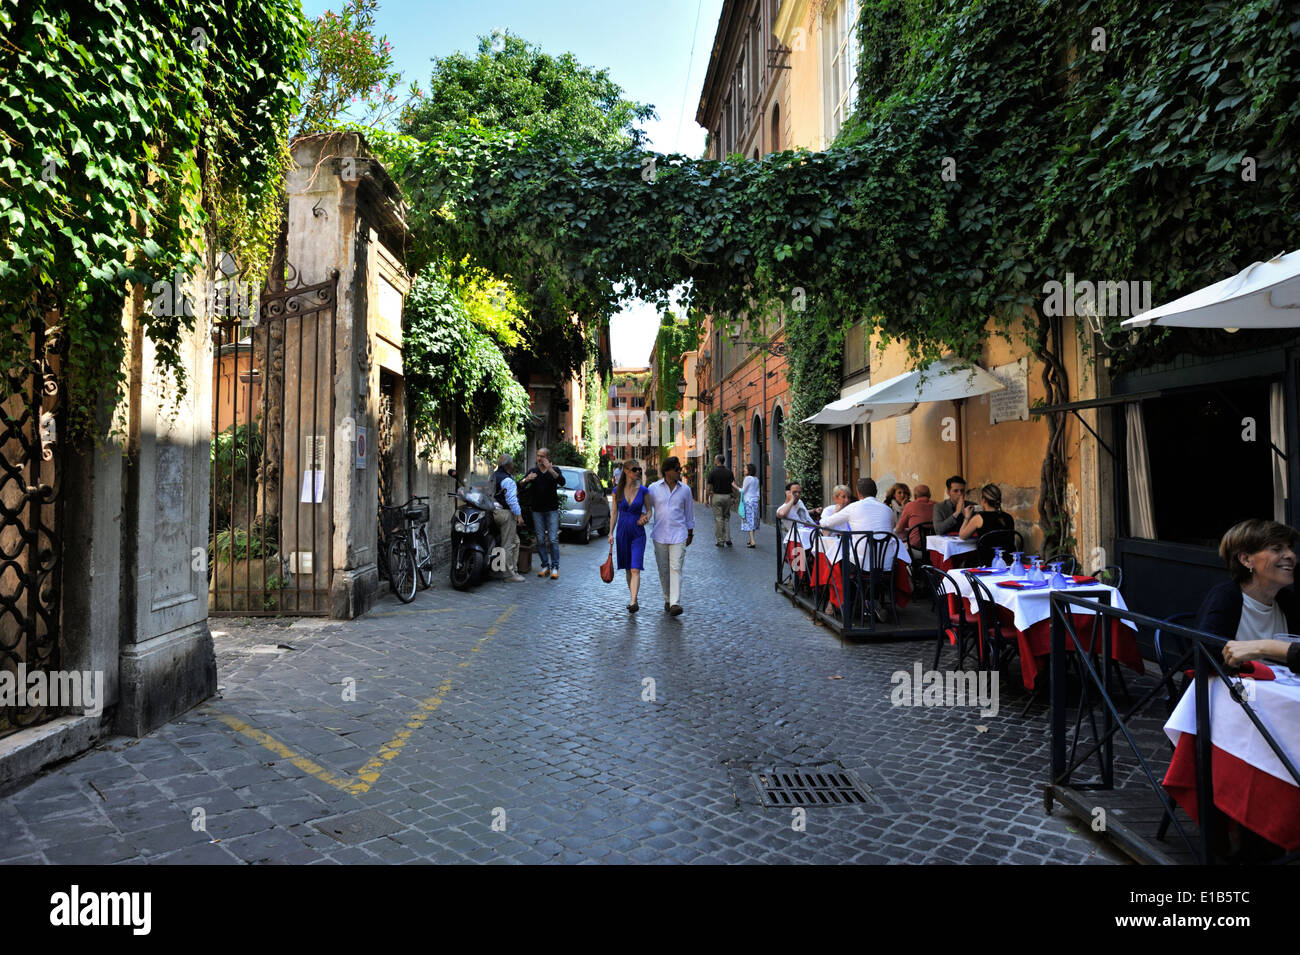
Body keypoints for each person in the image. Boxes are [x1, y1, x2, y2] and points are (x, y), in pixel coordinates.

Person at [1198, 520, 1300, 671]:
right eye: (1277, 549)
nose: (1291, 555)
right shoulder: (1225, 597)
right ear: (1246, 560)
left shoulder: (1287, 600)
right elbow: (1207, 659)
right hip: (1236, 690)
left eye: (1290, 548)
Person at [643, 456, 694, 615]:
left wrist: (690, 532)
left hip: (679, 534)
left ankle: (675, 603)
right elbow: (646, 507)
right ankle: (667, 598)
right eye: (677, 469)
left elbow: (689, 513)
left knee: (676, 568)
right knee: (663, 570)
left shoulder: (685, 490)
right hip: (660, 535)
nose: (680, 472)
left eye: (680, 469)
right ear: (667, 471)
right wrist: (643, 516)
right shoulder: (653, 488)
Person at [609, 459, 650, 613]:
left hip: (638, 532)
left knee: (635, 568)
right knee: (628, 568)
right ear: (626, 471)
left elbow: (650, 510)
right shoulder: (616, 491)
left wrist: (646, 517)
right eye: (634, 469)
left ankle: (633, 602)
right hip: (622, 532)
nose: (638, 472)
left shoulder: (644, 490)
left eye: (639, 469)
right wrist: (610, 533)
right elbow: (614, 513)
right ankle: (634, 596)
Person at [521, 447, 566, 579]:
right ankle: (545, 565)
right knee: (540, 539)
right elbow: (520, 484)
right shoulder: (533, 471)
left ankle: (555, 567)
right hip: (537, 511)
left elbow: (562, 482)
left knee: (552, 539)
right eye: (538, 456)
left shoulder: (555, 471)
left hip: (551, 510)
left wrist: (550, 469)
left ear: (547, 457)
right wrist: (527, 479)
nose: (539, 458)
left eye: (542, 456)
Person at [489, 453, 526, 583]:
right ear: (509, 465)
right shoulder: (507, 480)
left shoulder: (493, 476)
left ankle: (508, 569)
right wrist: (519, 515)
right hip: (505, 514)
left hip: (493, 511)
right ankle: (509, 575)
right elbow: (512, 500)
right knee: (508, 544)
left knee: (515, 541)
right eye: (512, 463)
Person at [819, 477, 895, 535]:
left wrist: (820, 521)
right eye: (844, 497)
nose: (847, 500)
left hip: (861, 554)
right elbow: (891, 528)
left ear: (859, 494)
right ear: (876, 492)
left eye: (848, 497)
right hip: (886, 554)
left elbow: (824, 523)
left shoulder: (853, 508)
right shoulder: (888, 509)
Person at [894, 484, 936, 558]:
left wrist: (905, 509)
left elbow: (898, 529)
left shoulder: (910, 506)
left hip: (917, 549)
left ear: (915, 496)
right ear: (929, 495)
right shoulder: (937, 505)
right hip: (934, 548)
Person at [705, 454, 736, 547]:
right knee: (726, 517)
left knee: (718, 518)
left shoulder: (713, 472)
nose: (714, 461)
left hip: (717, 496)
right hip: (727, 497)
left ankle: (720, 540)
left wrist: (706, 499)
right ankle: (728, 538)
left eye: (715, 459)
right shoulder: (729, 472)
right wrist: (734, 497)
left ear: (717, 461)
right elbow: (733, 485)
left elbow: (708, 487)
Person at [736, 462, 761, 547]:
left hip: (748, 502)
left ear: (749, 470)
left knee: (749, 521)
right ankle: (750, 539)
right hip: (755, 502)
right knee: (753, 521)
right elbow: (757, 492)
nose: (744, 470)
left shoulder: (747, 478)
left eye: (745, 469)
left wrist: (734, 486)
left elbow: (743, 490)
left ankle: (753, 541)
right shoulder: (756, 479)